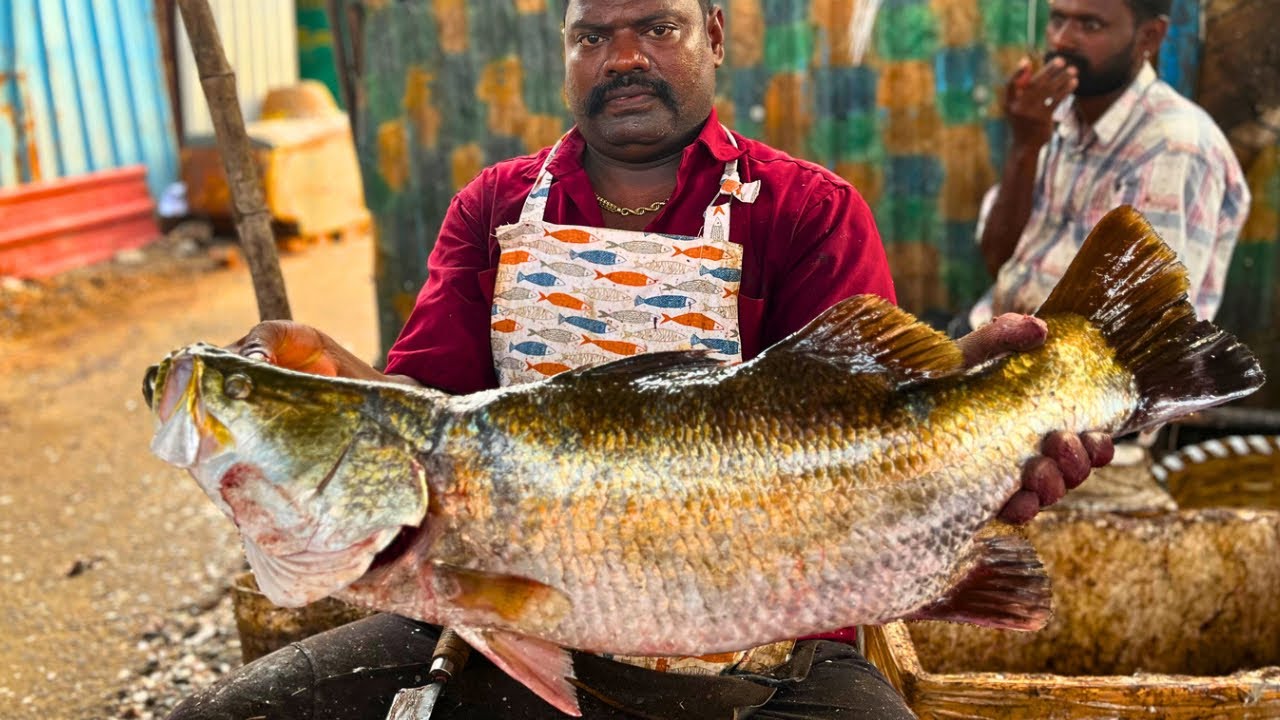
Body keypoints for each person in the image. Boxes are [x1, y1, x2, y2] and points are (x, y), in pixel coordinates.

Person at [167, 1, 1112, 718]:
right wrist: (326, 378)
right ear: (566, 54)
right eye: (592, 36)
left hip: (764, 654)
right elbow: (425, 421)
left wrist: (977, 411)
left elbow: (874, 420)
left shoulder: (806, 209)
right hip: (504, 626)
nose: (622, 58)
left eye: (655, 27)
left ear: (714, 35)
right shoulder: (494, 206)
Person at [969, 0, 1250, 332]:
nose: (1061, 41)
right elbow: (997, 258)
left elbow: (1138, 329)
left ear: (1149, 37)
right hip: (998, 339)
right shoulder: (1054, 117)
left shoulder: (1172, 145)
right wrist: (1025, 146)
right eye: (1058, 19)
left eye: (1090, 26)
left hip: (1075, 373)